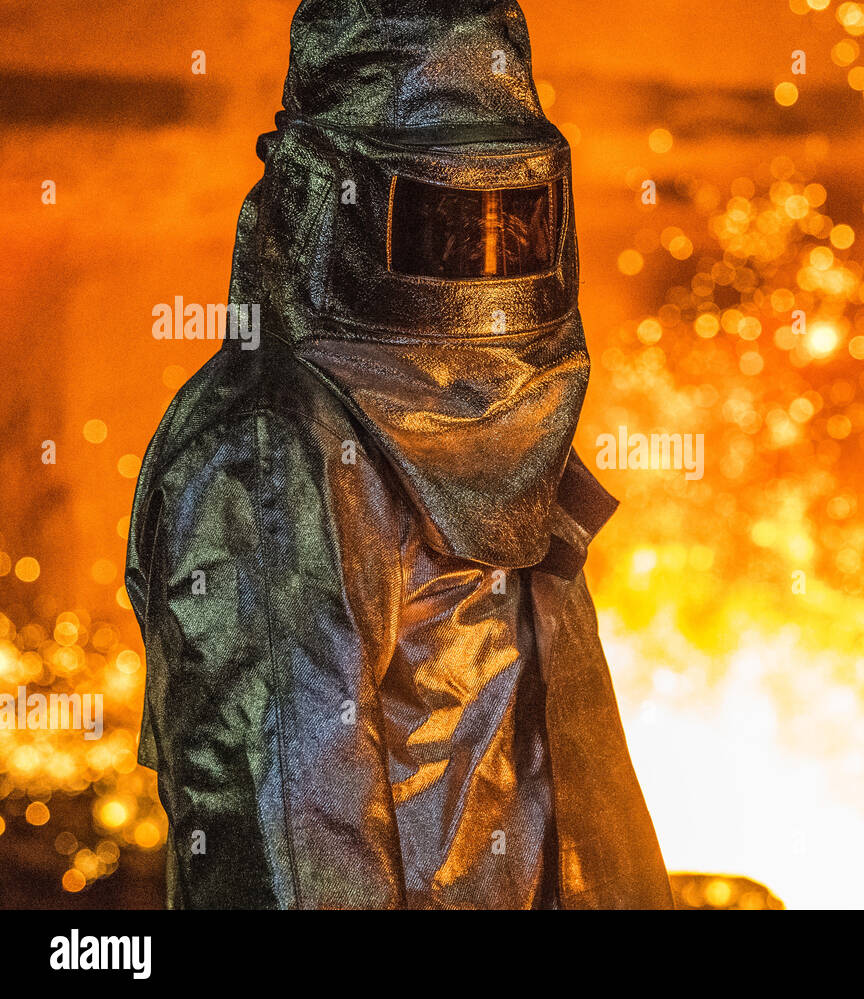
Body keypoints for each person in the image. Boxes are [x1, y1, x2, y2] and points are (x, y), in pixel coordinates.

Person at [124, 0, 673, 909]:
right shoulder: (267, 462)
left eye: (514, 221)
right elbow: (282, 864)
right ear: (324, 206)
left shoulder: (505, 429)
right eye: (446, 227)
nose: (487, 268)